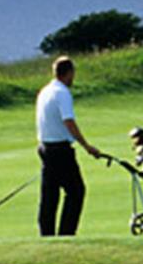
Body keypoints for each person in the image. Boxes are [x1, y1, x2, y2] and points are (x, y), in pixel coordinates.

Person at [34, 56, 103, 236]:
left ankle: (46, 235)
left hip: (45, 148)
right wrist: (87, 146)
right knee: (76, 191)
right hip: (60, 150)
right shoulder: (62, 93)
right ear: (69, 73)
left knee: (50, 195)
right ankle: (66, 235)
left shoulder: (45, 91)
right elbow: (69, 121)